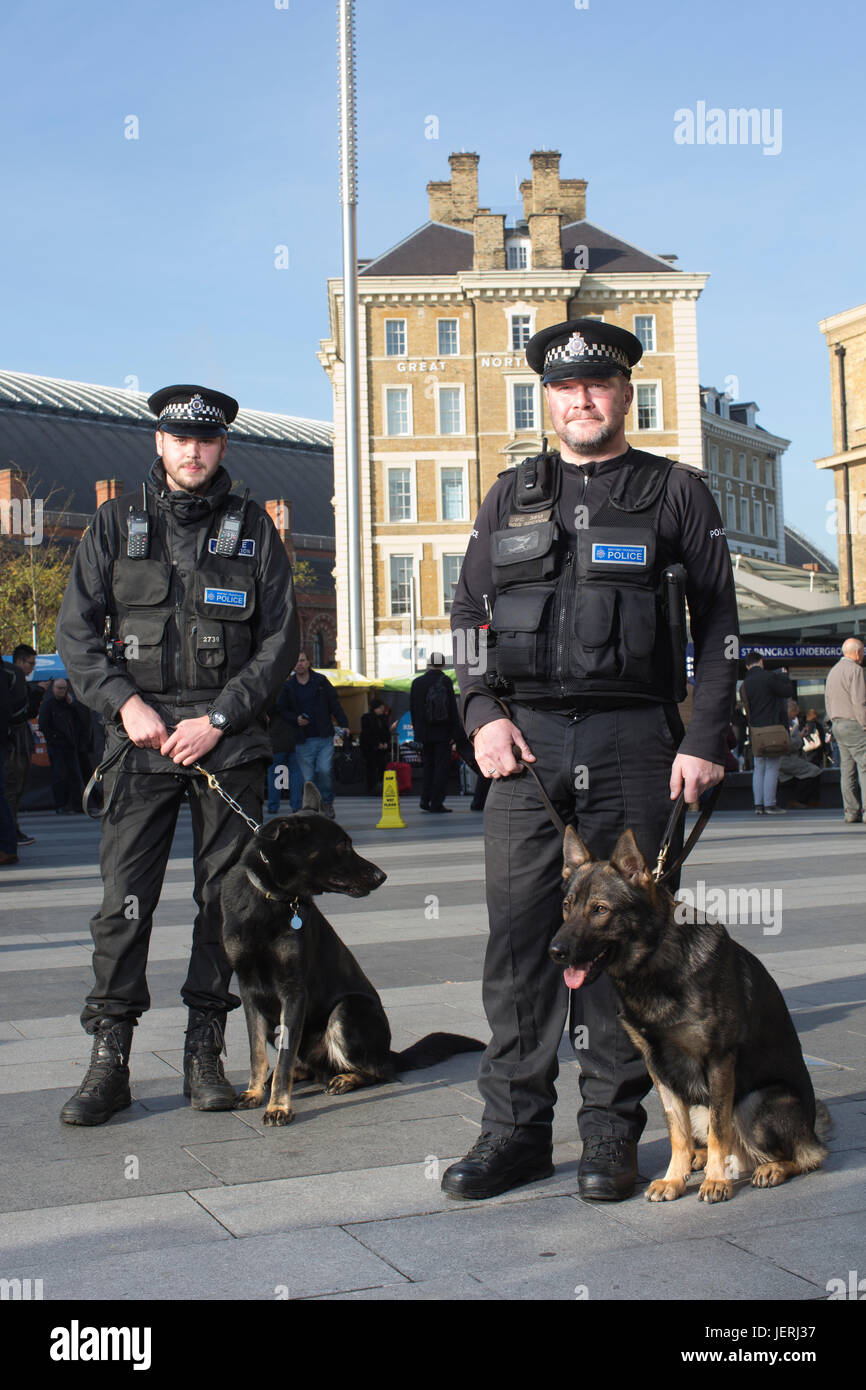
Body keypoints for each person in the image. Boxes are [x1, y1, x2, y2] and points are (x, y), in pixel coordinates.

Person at [446, 317, 738, 1202]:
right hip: (526, 746)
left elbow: (721, 627)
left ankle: (612, 1134)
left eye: (599, 385)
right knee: (521, 939)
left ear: (624, 395)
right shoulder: (509, 495)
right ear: (549, 400)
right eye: (566, 387)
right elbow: (465, 622)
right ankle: (513, 1134)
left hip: (634, 743)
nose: (582, 399)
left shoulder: (675, 492)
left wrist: (703, 735)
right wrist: (480, 713)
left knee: (626, 945)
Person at [55, 383, 299, 1125]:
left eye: (208, 438)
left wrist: (220, 718)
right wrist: (126, 704)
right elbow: (77, 634)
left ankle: (204, 1048)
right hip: (140, 747)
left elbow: (280, 643)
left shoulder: (254, 529)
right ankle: (111, 1058)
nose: (193, 450)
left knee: (224, 907)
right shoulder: (113, 524)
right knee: (123, 905)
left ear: (223, 445)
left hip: (228, 749)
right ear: (158, 444)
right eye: (180, 438)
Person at [275, 652, 349, 818]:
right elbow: (281, 709)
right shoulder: (289, 686)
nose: (299, 664)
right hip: (303, 738)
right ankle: (312, 809)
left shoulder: (321, 681)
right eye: (296, 661)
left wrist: (344, 724)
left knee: (324, 770)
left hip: (324, 735)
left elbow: (334, 704)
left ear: (308, 662)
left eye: (302, 660)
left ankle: (327, 802)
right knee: (308, 778)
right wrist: (296, 719)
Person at [740, 651, 792, 816]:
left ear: (748, 666)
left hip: (755, 731)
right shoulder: (769, 677)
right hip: (773, 729)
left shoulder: (744, 685)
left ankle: (758, 805)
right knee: (772, 767)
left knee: (759, 767)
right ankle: (770, 804)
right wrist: (784, 676)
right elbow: (787, 691)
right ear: (761, 662)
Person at [3, 644, 43, 846]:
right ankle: (10, 833)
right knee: (13, 788)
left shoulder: (14, 675)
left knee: (15, 788)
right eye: (30, 663)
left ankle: (12, 831)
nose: (32, 668)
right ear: (19, 661)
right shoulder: (14, 674)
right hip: (14, 740)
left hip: (17, 739)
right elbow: (19, 712)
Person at [410, 653, 460, 813]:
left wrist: (417, 732)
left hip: (423, 733)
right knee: (441, 768)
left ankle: (424, 799)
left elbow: (413, 709)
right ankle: (436, 802)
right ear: (443, 664)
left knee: (428, 766)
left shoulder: (417, 682)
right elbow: (452, 708)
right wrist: (455, 732)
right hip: (442, 732)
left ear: (428, 664)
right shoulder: (445, 681)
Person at [824, 636, 866, 823]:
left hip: (837, 724)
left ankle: (851, 812)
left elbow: (827, 701)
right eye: (863, 651)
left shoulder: (833, 671)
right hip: (854, 724)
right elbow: (860, 702)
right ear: (857, 652)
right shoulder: (856, 671)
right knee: (864, 768)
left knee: (847, 770)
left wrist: (834, 720)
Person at [37, 677, 91, 813]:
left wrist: (72, 705)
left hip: (71, 745)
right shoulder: (48, 704)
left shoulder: (69, 704)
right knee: (59, 776)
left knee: (74, 776)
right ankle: (61, 805)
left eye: (64, 688)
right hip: (56, 745)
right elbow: (43, 725)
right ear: (53, 688)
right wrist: (54, 738)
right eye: (59, 688)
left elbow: (81, 721)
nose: (61, 691)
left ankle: (77, 805)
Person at [360, 696, 391, 795]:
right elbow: (367, 733)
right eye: (380, 708)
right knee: (371, 767)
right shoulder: (366, 718)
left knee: (382, 766)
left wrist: (386, 742)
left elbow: (386, 732)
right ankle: (372, 787)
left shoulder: (383, 718)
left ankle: (382, 787)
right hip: (370, 748)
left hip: (382, 749)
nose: (382, 710)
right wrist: (376, 744)